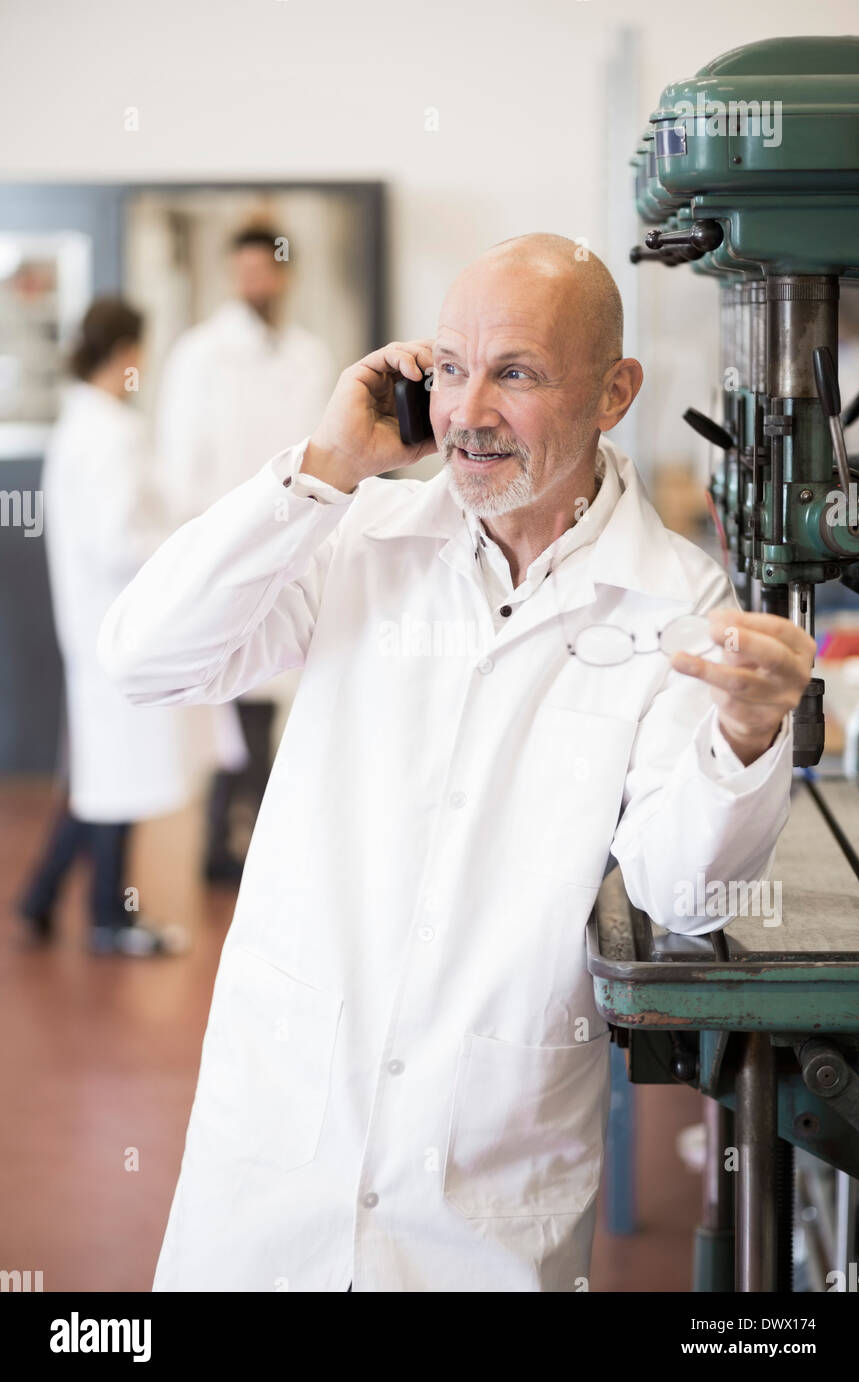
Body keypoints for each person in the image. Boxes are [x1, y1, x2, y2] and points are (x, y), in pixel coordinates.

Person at [98, 235, 813, 1290]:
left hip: (480, 1188)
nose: (466, 411)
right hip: (276, 1154)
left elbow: (682, 891)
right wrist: (323, 466)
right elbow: (143, 659)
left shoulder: (674, 599)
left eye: (514, 372)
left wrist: (746, 735)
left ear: (613, 392)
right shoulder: (356, 533)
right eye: (446, 369)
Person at [20, 298, 230, 956]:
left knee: (105, 771)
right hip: (118, 624)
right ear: (128, 353)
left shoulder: (89, 422)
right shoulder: (106, 430)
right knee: (118, 774)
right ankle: (108, 917)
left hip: (96, 625)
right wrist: (180, 554)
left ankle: (42, 899)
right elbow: (117, 540)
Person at [155, 225, 337, 881]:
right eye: (245, 272)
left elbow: (325, 449)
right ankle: (235, 845)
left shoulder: (310, 356)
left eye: (267, 271)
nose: (256, 283)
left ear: (284, 275)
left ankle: (237, 845)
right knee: (232, 701)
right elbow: (181, 462)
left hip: (294, 543)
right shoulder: (200, 354)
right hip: (227, 544)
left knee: (263, 700)